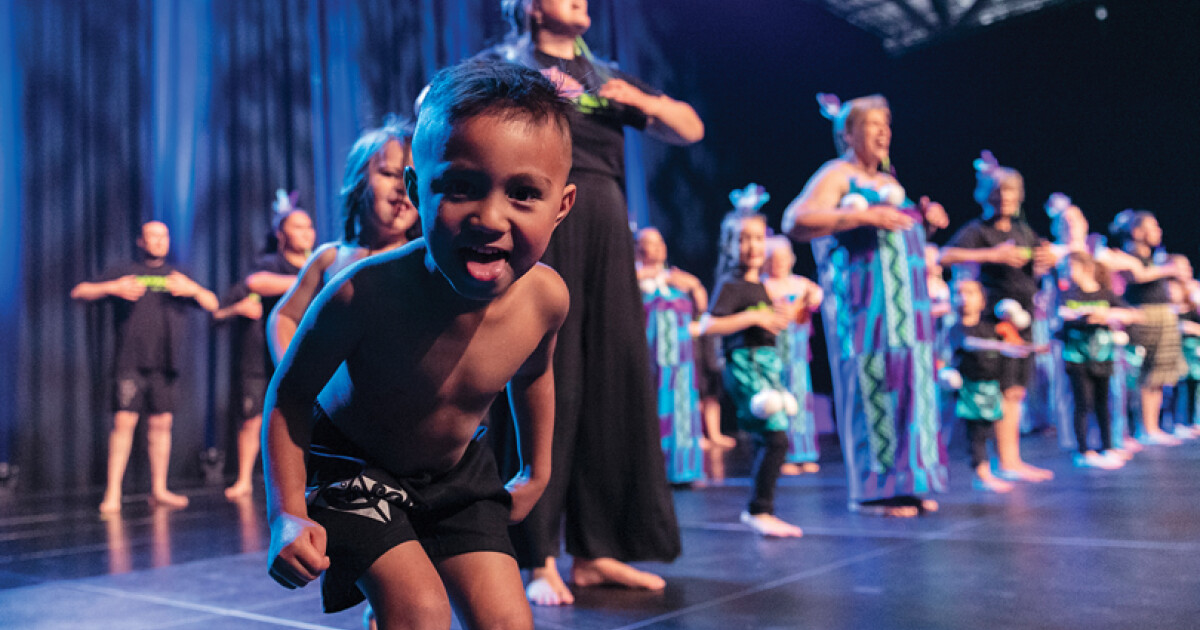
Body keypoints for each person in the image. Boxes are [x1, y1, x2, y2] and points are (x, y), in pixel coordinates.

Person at [262, 60, 574, 629]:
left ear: (563, 206)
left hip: (457, 474)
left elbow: (534, 374)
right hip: (352, 465)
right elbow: (289, 398)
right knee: (420, 612)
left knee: (509, 621)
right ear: (415, 191)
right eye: (460, 187)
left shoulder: (547, 299)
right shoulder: (362, 292)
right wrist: (285, 513)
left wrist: (537, 469)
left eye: (524, 193)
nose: (489, 217)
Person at [479, 0, 704, 605]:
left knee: (613, 376)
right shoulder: (506, 62)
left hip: (603, 218)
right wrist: (526, 94)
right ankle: (536, 555)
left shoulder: (605, 74)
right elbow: (434, 107)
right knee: (548, 377)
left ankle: (598, 549)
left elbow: (688, 128)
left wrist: (638, 101)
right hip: (542, 219)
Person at [783, 93, 949, 517]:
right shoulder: (838, 173)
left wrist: (922, 221)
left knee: (911, 393)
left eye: (886, 125)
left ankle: (908, 483)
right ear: (847, 133)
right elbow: (796, 220)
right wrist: (862, 217)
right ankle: (873, 491)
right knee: (874, 391)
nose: (882, 133)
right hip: (867, 313)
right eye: (872, 125)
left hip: (907, 313)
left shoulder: (888, 182)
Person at [71, 220, 218, 513]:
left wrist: (191, 289)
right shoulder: (125, 272)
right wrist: (112, 287)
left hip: (166, 364)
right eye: (152, 236)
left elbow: (213, 304)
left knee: (161, 425)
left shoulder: (179, 275)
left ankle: (159, 490)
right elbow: (79, 292)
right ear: (141, 241)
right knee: (123, 424)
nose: (159, 240)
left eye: (163, 235)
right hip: (130, 362)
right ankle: (113, 493)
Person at [939, 152, 1055, 482]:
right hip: (995, 320)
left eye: (1011, 192)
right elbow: (945, 255)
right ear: (987, 195)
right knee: (1000, 389)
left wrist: (1042, 260)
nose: (1006, 198)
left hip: (1025, 316)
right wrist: (993, 254)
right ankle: (994, 462)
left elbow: (1037, 262)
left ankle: (1012, 459)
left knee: (1017, 389)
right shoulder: (978, 230)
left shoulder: (1023, 229)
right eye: (999, 191)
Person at [268, 118, 420, 361]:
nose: (403, 187)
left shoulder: (423, 258)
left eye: (413, 178)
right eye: (390, 173)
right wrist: (291, 384)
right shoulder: (329, 258)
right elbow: (283, 317)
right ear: (358, 181)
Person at [703, 208, 803, 537]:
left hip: (766, 366)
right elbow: (709, 324)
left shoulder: (757, 286)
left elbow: (766, 323)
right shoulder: (730, 286)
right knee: (774, 436)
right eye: (743, 239)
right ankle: (759, 510)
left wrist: (781, 317)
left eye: (758, 238)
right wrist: (754, 319)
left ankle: (760, 508)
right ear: (730, 246)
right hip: (745, 368)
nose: (752, 246)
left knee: (773, 438)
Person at [214, 193, 316, 500]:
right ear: (281, 234)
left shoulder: (320, 262)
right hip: (260, 356)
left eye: (309, 227)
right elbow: (257, 282)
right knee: (252, 418)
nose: (306, 233)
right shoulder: (273, 263)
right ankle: (245, 478)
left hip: (305, 351)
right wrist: (310, 279)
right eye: (297, 227)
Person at [1108, 209, 1190, 445]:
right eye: (1152, 226)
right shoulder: (1127, 256)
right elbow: (1137, 275)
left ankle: (1152, 426)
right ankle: (1140, 428)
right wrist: (1168, 269)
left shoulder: (1155, 258)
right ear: (1136, 231)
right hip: (1142, 315)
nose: (1158, 231)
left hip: (1162, 314)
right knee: (1142, 374)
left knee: (1158, 374)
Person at [1057, 251, 1142, 468]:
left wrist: (1107, 315)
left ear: (1086, 268)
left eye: (1071, 268)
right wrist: (1081, 315)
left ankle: (1108, 447)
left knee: (1103, 403)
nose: (1067, 274)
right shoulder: (1067, 295)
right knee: (1083, 402)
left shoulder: (1105, 294)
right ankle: (1084, 450)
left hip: (1103, 356)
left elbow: (1133, 314)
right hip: (1077, 357)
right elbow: (1059, 317)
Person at [635, 227, 707, 483]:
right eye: (645, 243)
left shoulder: (677, 278)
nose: (651, 248)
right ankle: (656, 472)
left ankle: (685, 469)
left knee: (683, 408)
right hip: (650, 358)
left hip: (681, 360)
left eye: (656, 243)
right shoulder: (632, 278)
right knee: (654, 409)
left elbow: (702, 305)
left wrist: (695, 285)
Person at [945, 279, 1022, 493]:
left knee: (988, 430)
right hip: (969, 390)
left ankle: (996, 465)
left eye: (970, 293)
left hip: (991, 389)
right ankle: (982, 472)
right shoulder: (956, 329)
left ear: (982, 300)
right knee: (975, 433)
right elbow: (959, 348)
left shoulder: (991, 328)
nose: (964, 299)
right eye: (960, 293)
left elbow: (1015, 346)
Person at [762, 234, 823, 475]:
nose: (779, 263)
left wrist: (806, 300)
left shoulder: (800, 283)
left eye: (783, 259)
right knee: (778, 403)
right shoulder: (764, 285)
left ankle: (804, 452)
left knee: (800, 403)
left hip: (797, 356)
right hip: (773, 354)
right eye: (774, 259)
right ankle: (783, 455)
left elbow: (817, 296)